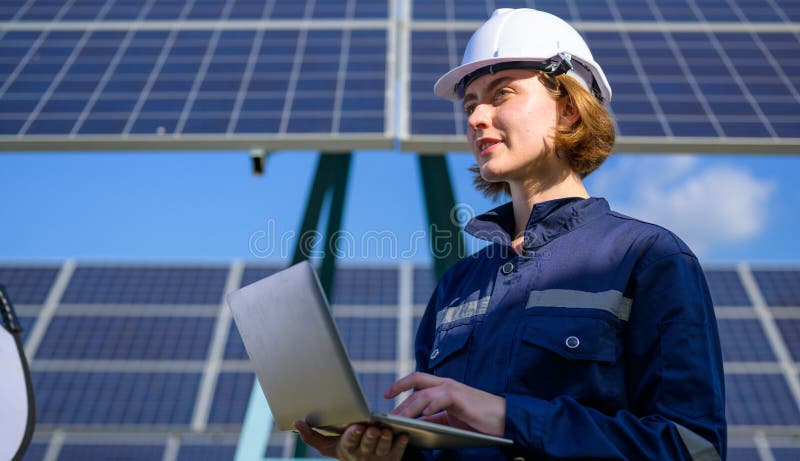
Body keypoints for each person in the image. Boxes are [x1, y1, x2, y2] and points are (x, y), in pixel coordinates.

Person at [296, 8, 726, 460]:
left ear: (568, 111)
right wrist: (383, 453)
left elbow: (691, 448)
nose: (477, 117)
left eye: (502, 95)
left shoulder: (648, 258)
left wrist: (507, 416)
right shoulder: (458, 285)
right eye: (470, 104)